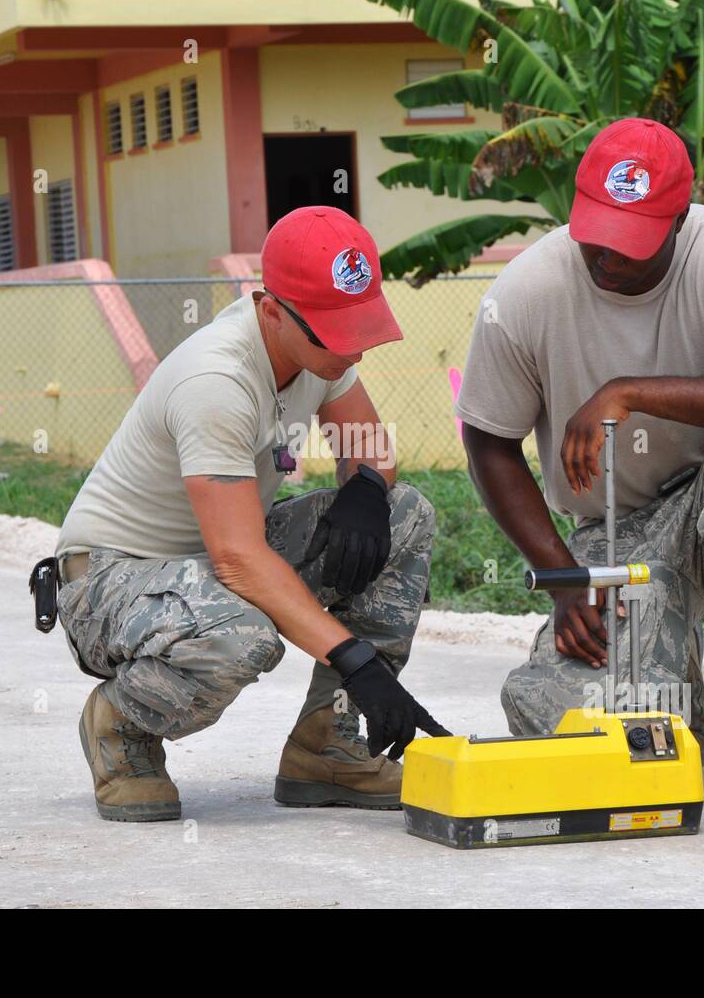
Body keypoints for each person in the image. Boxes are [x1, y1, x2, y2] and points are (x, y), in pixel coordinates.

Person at [455, 118, 704, 816]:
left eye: (630, 239)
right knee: (560, 713)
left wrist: (630, 391)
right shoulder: (525, 292)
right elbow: (488, 439)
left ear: (677, 219)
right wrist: (564, 579)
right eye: (595, 230)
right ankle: (673, 709)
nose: (607, 254)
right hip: (624, 535)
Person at [55, 206, 447, 822]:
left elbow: (370, 448)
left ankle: (330, 747)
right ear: (270, 311)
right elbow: (239, 559)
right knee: (242, 637)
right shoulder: (216, 380)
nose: (351, 351)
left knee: (405, 515)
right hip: (109, 580)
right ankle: (120, 726)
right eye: (332, 333)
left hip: (211, 560)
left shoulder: (319, 351)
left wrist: (366, 489)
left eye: (358, 328)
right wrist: (356, 659)